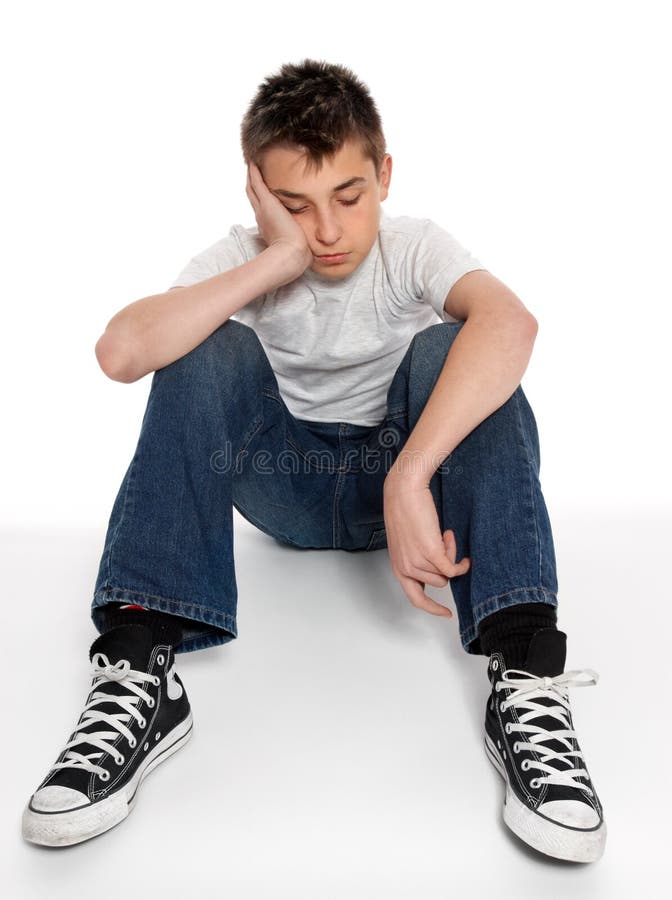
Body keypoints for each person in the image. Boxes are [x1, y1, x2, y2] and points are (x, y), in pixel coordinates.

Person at [21, 58, 606, 863]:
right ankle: (137, 663)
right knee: (203, 347)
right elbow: (121, 353)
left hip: (398, 486)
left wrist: (409, 474)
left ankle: (526, 669)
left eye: (348, 198)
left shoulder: (413, 248)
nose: (326, 232)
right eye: (296, 206)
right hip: (284, 481)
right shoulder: (245, 255)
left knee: (461, 346)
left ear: (385, 175)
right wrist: (276, 259)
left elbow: (514, 324)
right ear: (258, 193)